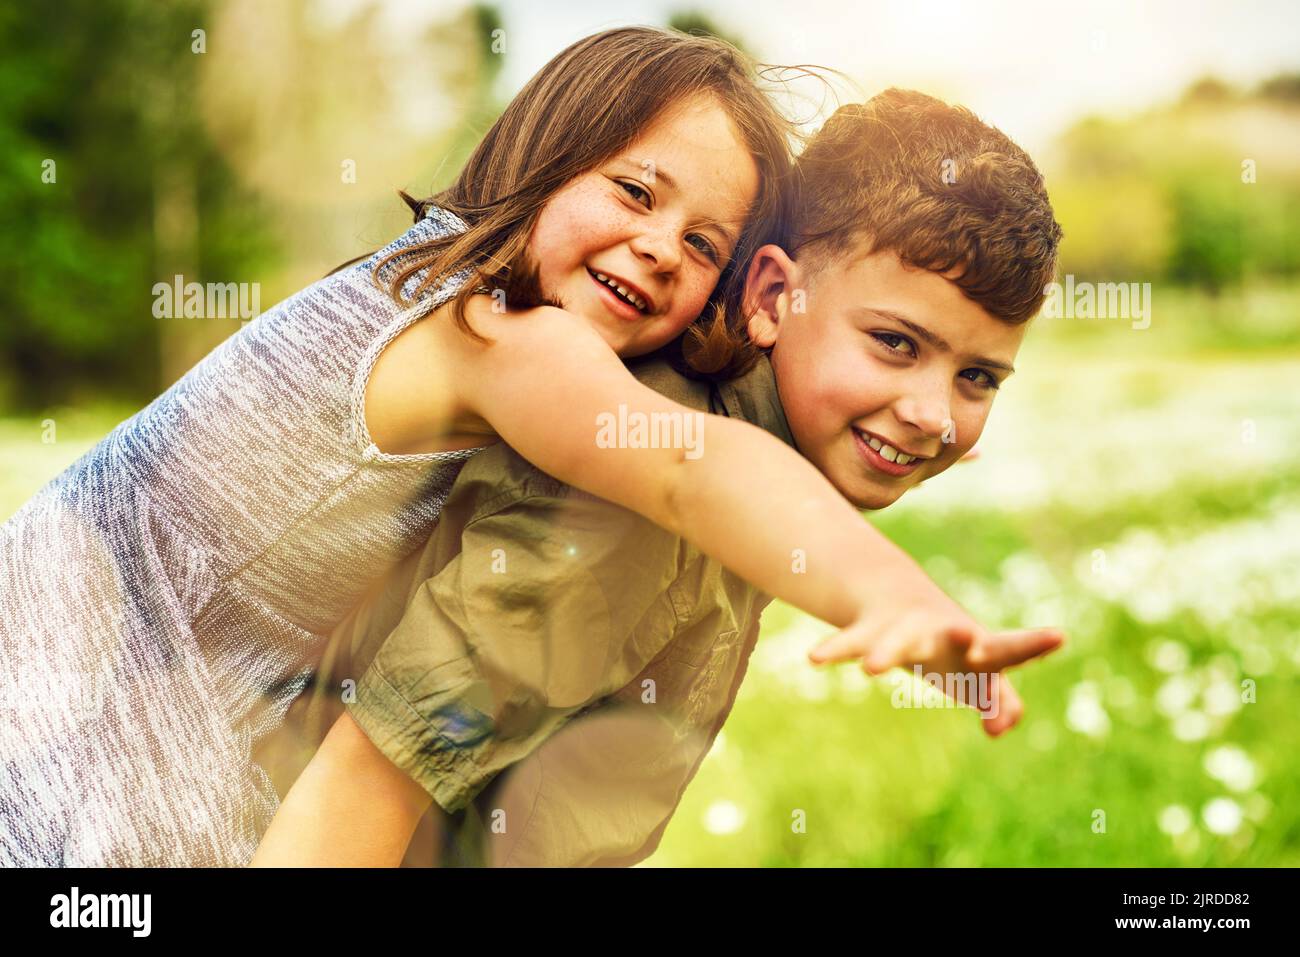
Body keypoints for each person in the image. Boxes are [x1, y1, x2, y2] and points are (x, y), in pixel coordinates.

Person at [0, 26, 1023, 867]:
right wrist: (889, 596)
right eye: (634, 192)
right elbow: (688, 467)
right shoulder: (496, 337)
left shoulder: (437, 298)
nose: (663, 246)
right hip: (62, 769)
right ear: (542, 158)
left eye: (704, 243)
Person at [251, 88, 1068, 867]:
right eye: (896, 343)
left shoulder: (756, 448)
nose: (934, 412)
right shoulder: (632, 508)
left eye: (979, 379)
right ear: (775, 295)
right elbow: (366, 783)